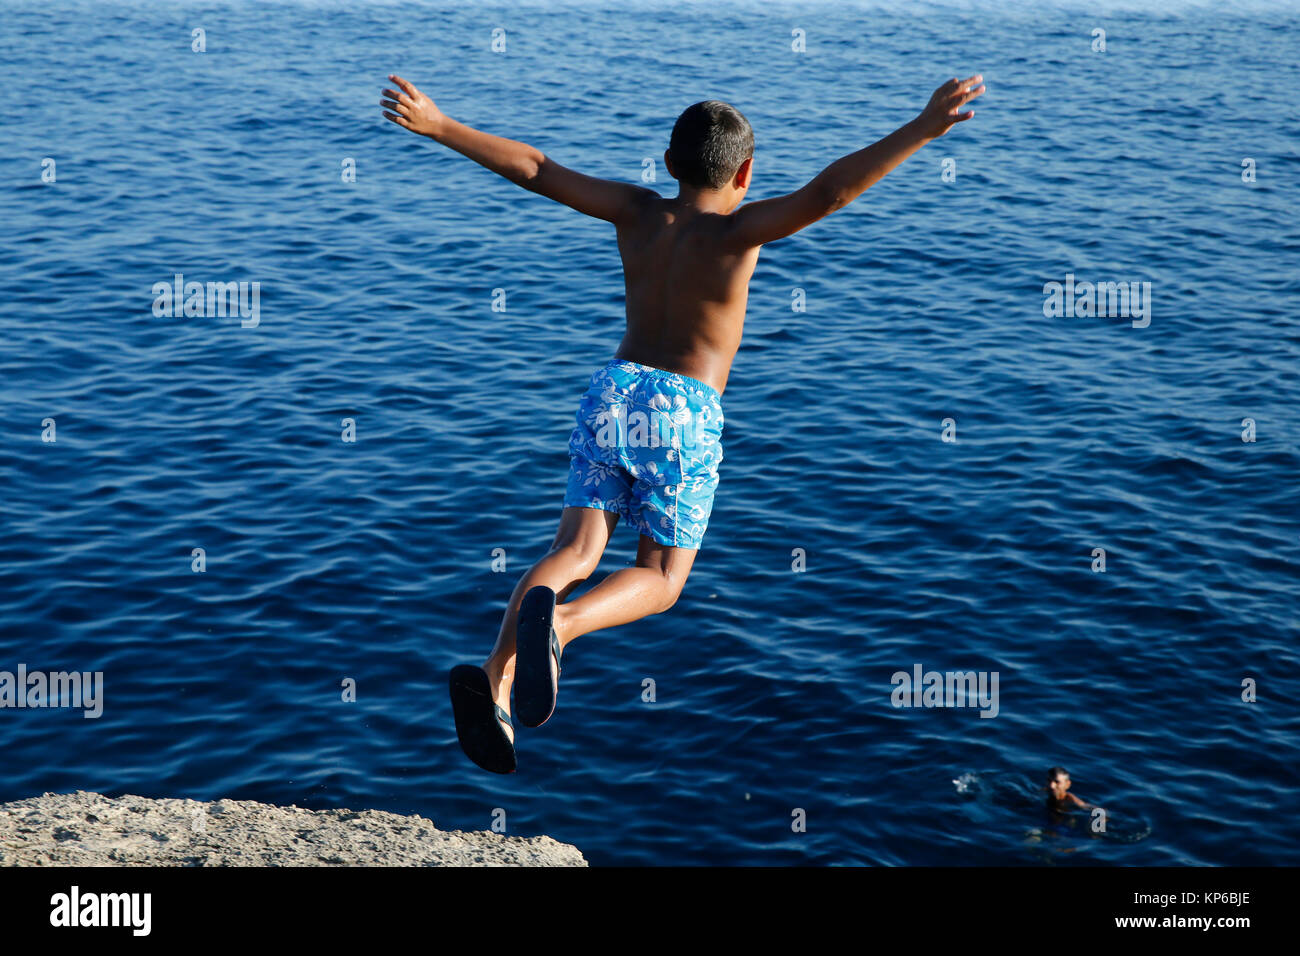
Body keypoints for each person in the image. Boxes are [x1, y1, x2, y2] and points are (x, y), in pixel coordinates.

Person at [380, 71, 986, 773]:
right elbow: (830, 192)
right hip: (684, 408)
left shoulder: (637, 212)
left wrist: (442, 125)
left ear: (667, 165)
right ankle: (565, 628)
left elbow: (537, 168)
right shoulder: (741, 228)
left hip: (615, 387)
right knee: (663, 577)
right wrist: (920, 128)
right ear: (747, 173)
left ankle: (497, 676)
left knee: (574, 552)